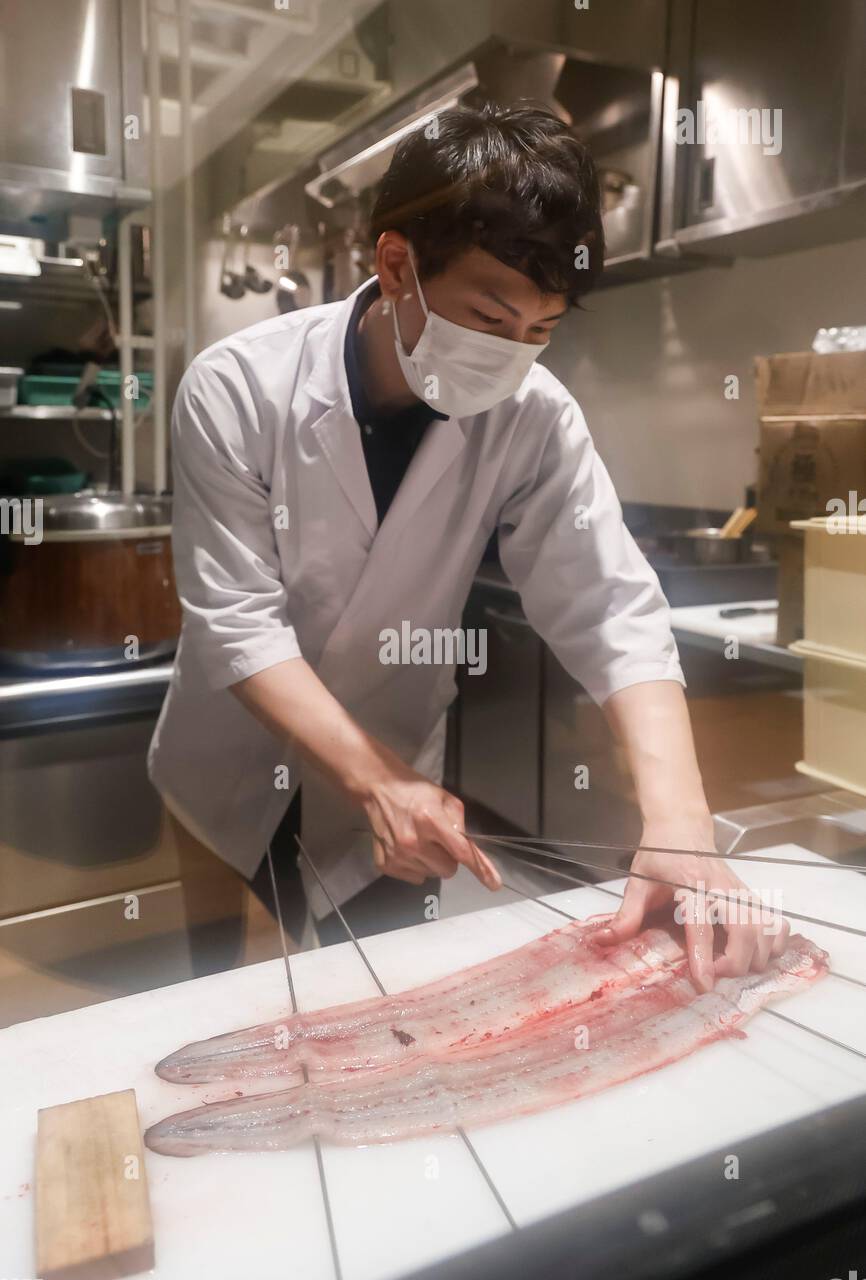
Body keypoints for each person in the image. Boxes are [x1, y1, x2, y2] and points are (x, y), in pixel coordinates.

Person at [149, 104, 788, 981]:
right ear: (397, 264)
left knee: (395, 1000)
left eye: (541, 331)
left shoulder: (534, 417)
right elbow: (238, 625)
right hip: (229, 757)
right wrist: (377, 782)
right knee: (216, 990)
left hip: (399, 770)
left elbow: (611, 605)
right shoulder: (237, 389)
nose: (513, 357)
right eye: (489, 320)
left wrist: (679, 822)